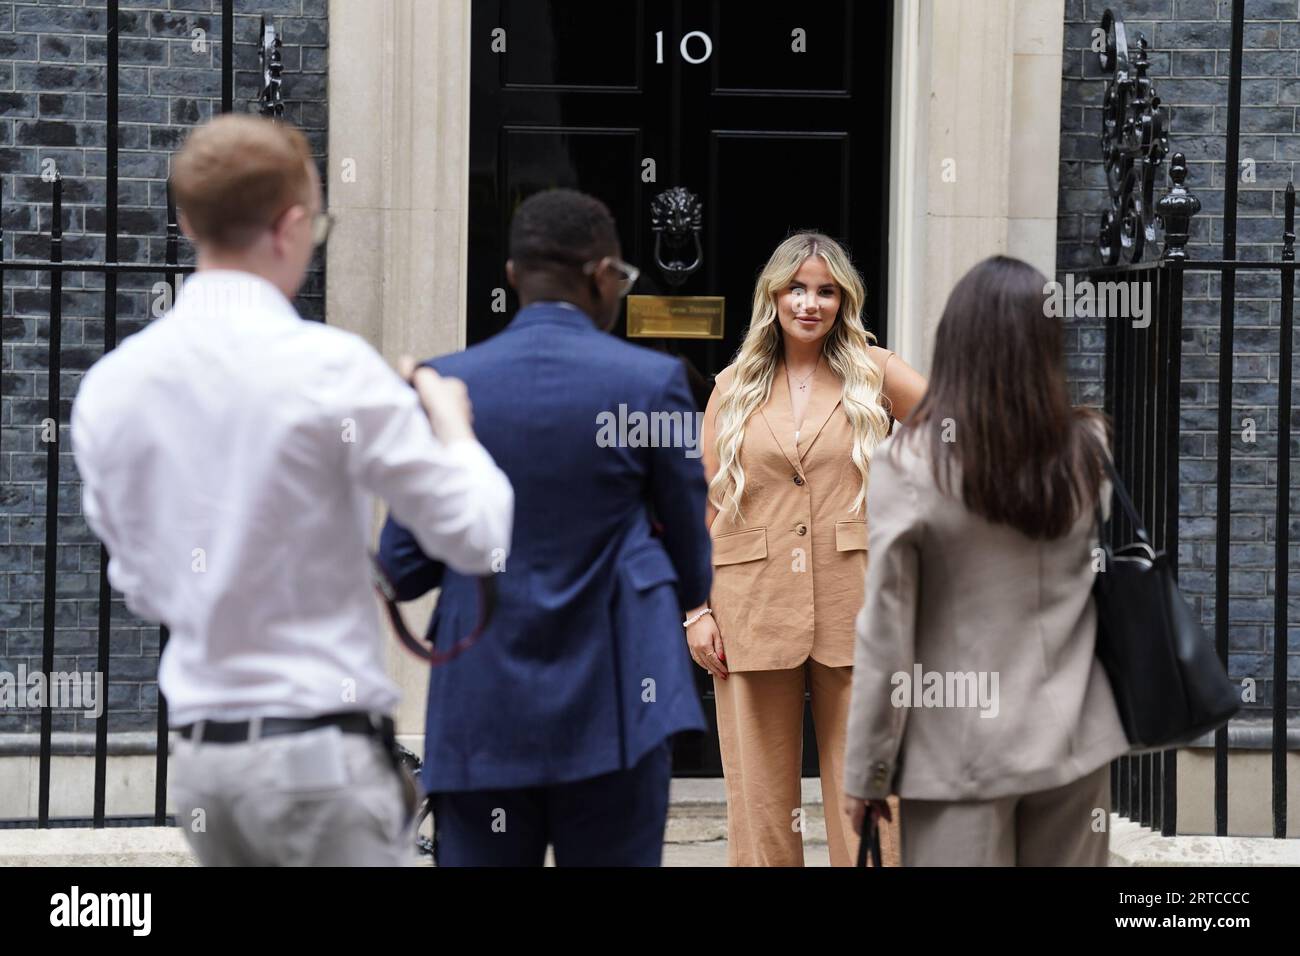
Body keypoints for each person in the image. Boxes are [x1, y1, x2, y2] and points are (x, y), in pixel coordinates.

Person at [70, 115, 514, 866]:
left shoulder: (111, 387)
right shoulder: (330, 368)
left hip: (205, 765)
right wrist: (454, 427)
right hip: (318, 760)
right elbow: (477, 535)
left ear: (186, 220)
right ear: (293, 225)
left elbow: (142, 587)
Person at [376, 188, 712, 867]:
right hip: (619, 705)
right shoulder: (655, 383)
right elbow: (693, 571)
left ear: (510, 276)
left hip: (483, 704)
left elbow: (402, 567)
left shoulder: (443, 384)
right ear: (602, 275)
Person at [842, 255, 1130, 866]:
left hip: (958, 758)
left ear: (955, 345)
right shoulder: (1088, 450)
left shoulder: (910, 464)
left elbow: (886, 635)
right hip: (1075, 744)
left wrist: (868, 773)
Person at [690, 232, 927, 867]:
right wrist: (696, 610)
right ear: (773, 295)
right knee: (759, 799)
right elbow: (706, 506)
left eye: (825, 291)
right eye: (797, 288)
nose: (810, 303)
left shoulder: (874, 371)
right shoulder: (734, 385)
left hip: (859, 601)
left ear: (843, 301)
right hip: (749, 602)